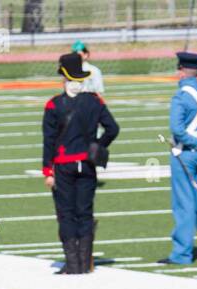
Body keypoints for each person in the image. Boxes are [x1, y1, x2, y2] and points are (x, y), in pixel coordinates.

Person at [43, 52, 118, 275]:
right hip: (87, 164)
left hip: (63, 166)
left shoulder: (54, 105)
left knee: (66, 213)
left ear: (64, 77)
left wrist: (48, 170)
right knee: (85, 212)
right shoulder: (95, 101)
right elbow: (113, 129)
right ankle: (85, 264)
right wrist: (97, 145)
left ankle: (73, 264)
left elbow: (49, 141)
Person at [158, 52, 197, 266]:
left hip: (186, 153)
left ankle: (182, 254)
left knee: (184, 204)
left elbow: (177, 128)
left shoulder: (182, 95)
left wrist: (193, 143)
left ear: (181, 70)